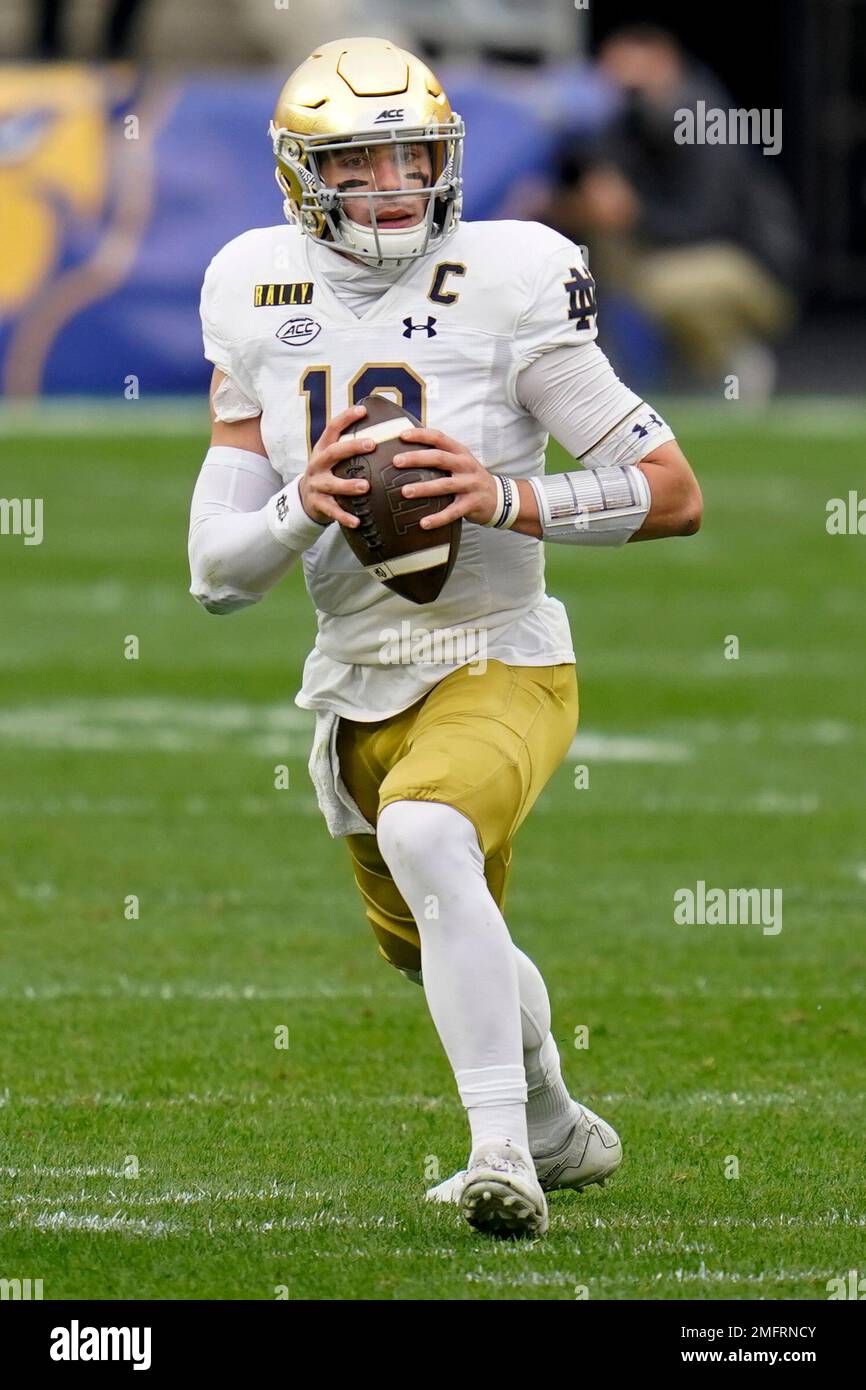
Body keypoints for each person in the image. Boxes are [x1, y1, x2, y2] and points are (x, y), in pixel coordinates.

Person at [187, 35, 702, 1238]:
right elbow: (213, 578)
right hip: (353, 684)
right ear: (302, 178)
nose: (394, 187)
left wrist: (503, 496)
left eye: (413, 156)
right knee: (436, 936)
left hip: (500, 651)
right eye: (359, 164)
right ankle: (561, 1126)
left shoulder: (513, 274)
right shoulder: (252, 284)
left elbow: (670, 490)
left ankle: (499, 1157)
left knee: (430, 830)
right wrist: (291, 503)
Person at [545, 24, 804, 397]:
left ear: (664, 62)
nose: (621, 88)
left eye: (633, 78)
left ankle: (735, 361)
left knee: (653, 285)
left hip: (758, 271)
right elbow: (595, 171)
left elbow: (705, 222)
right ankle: (634, 382)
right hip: (689, 261)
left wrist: (633, 212)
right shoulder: (627, 122)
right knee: (599, 262)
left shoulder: (704, 119)